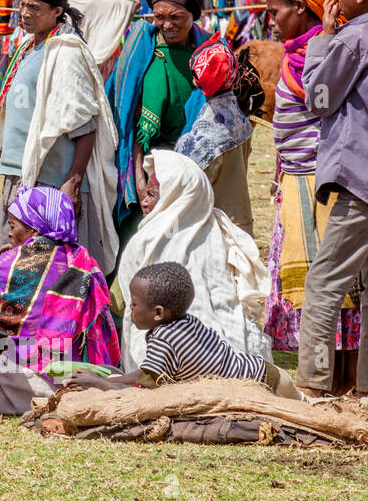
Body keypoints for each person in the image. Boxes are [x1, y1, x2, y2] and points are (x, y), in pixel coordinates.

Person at [262, 0, 361, 381]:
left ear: (302, 10)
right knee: (314, 293)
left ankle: (341, 384)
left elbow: (322, 109)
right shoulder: (298, 54)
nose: (270, 19)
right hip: (296, 181)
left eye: (276, 10)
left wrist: (321, 41)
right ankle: (328, 379)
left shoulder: (327, 54)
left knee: (335, 293)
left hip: (322, 189)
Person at [0, 0, 119, 272]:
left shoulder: (66, 52)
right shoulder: (28, 46)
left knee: (49, 271)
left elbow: (84, 123)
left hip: (52, 183)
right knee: (17, 266)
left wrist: (72, 182)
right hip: (23, 175)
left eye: (34, 7)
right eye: (21, 4)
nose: (24, 13)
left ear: (57, 11)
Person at [0, 186, 121, 412]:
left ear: (34, 231)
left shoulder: (13, 264)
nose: (8, 233)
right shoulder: (83, 261)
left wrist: (10, 259)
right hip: (77, 382)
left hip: (19, 390)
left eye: (13, 226)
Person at [296, 0, 368, 397]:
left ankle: (315, 387)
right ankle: (366, 392)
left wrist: (323, 38)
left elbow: (318, 100)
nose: (334, 0)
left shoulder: (353, 39)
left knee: (324, 285)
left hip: (358, 180)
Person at [115, 150, 271, 372]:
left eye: (152, 194)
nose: (145, 201)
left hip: (164, 356)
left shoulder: (148, 239)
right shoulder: (219, 227)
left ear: (174, 195)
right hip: (232, 358)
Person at [69, 263, 300, 399]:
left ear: (158, 313)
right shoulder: (187, 322)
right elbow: (146, 374)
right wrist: (115, 377)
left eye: (134, 304)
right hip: (270, 372)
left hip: (262, 388)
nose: (130, 308)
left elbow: (142, 393)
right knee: (303, 402)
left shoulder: (163, 338)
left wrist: (97, 384)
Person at [106, 0, 210, 241]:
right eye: (159, 16)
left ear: (193, 14)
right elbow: (132, 122)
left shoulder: (210, 53)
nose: (167, 24)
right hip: (146, 168)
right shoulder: (142, 50)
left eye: (176, 17)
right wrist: (141, 182)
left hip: (195, 166)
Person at [174, 36, 254, 233]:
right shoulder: (241, 117)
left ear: (195, 79)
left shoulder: (202, 134)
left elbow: (186, 187)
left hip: (211, 229)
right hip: (239, 223)